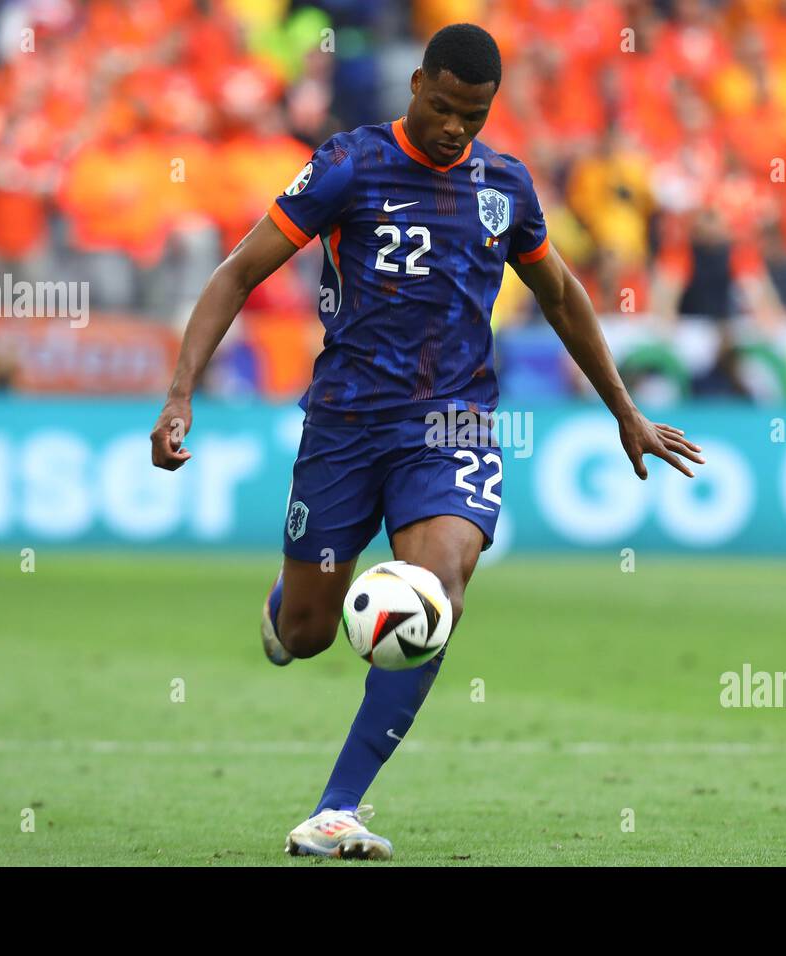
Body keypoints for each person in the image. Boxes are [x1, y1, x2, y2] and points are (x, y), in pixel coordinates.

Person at [149, 23, 703, 860]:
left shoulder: (503, 186)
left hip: (452, 422)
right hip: (345, 421)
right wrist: (181, 393)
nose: (455, 128)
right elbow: (237, 273)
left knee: (438, 589)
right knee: (304, 633)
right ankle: (286, 603)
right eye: (443, 108)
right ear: (416, 85)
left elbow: (560, 295)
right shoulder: (349, 165)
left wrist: (622, 408)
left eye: (472, 117)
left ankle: (336, 809)